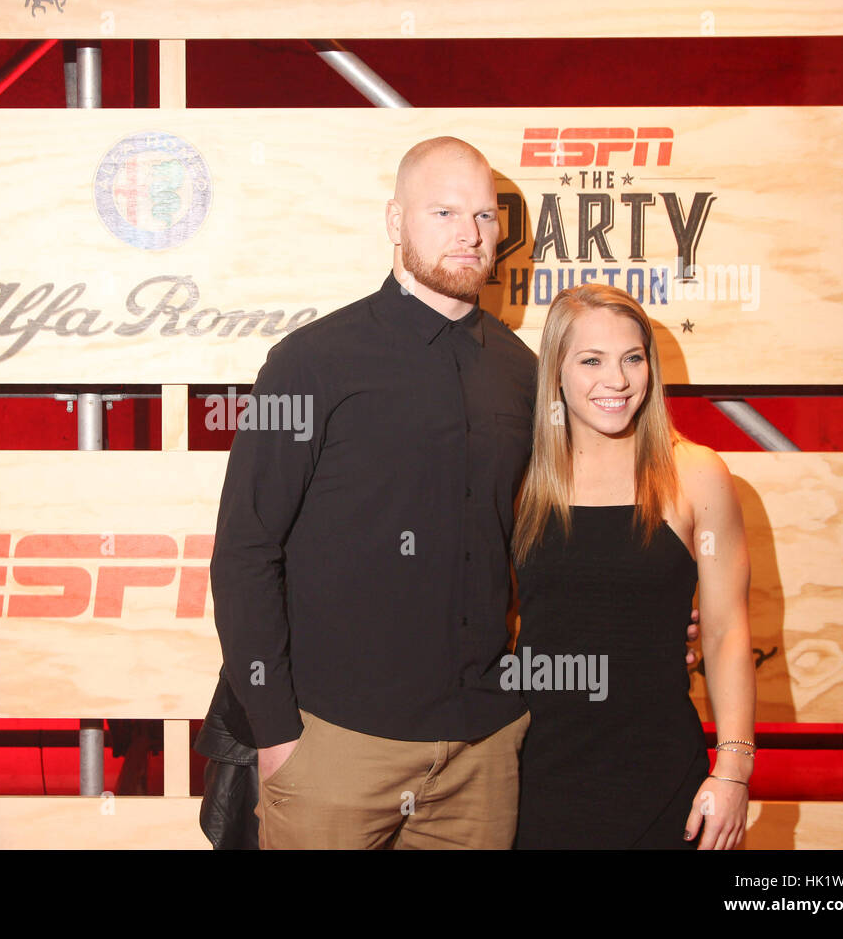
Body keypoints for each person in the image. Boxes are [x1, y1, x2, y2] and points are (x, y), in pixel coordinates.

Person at [208, 136, 533, 849]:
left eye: (484, 216)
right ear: (395, 221)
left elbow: (543, 544)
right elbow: (243, 550)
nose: (468, 235)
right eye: (443, 212)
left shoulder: (521, 370)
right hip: (334, 747)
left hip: (481, 751)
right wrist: (277, 734)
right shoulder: (307, 362)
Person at [509, 283, 755, 850]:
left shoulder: (695, 474)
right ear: (558, 372)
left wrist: (733, 771)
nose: (616, 380)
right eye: (591, 360)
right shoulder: (521, 478)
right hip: (537, 776)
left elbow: (724, 633)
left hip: (663, 775)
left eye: (632, 358)